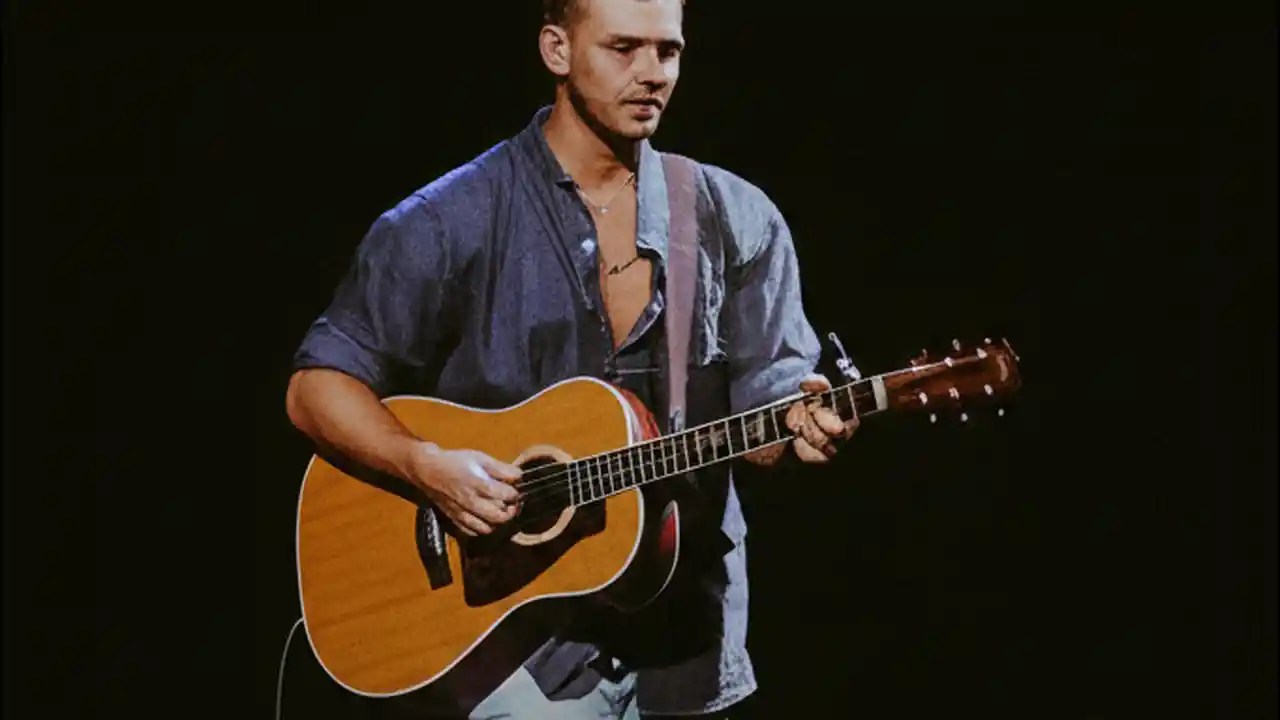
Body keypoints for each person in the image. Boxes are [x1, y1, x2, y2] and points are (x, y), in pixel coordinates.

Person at [284, 0, 859, 717]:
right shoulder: (449, 220)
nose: (652, 75)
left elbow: (767, 404)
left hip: (686, 645)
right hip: (508, 648)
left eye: (669, 52)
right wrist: (427, 467)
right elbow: (316, 388)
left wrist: (799, 418)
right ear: (557, 50)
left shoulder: (732, 216)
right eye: (624, 48)